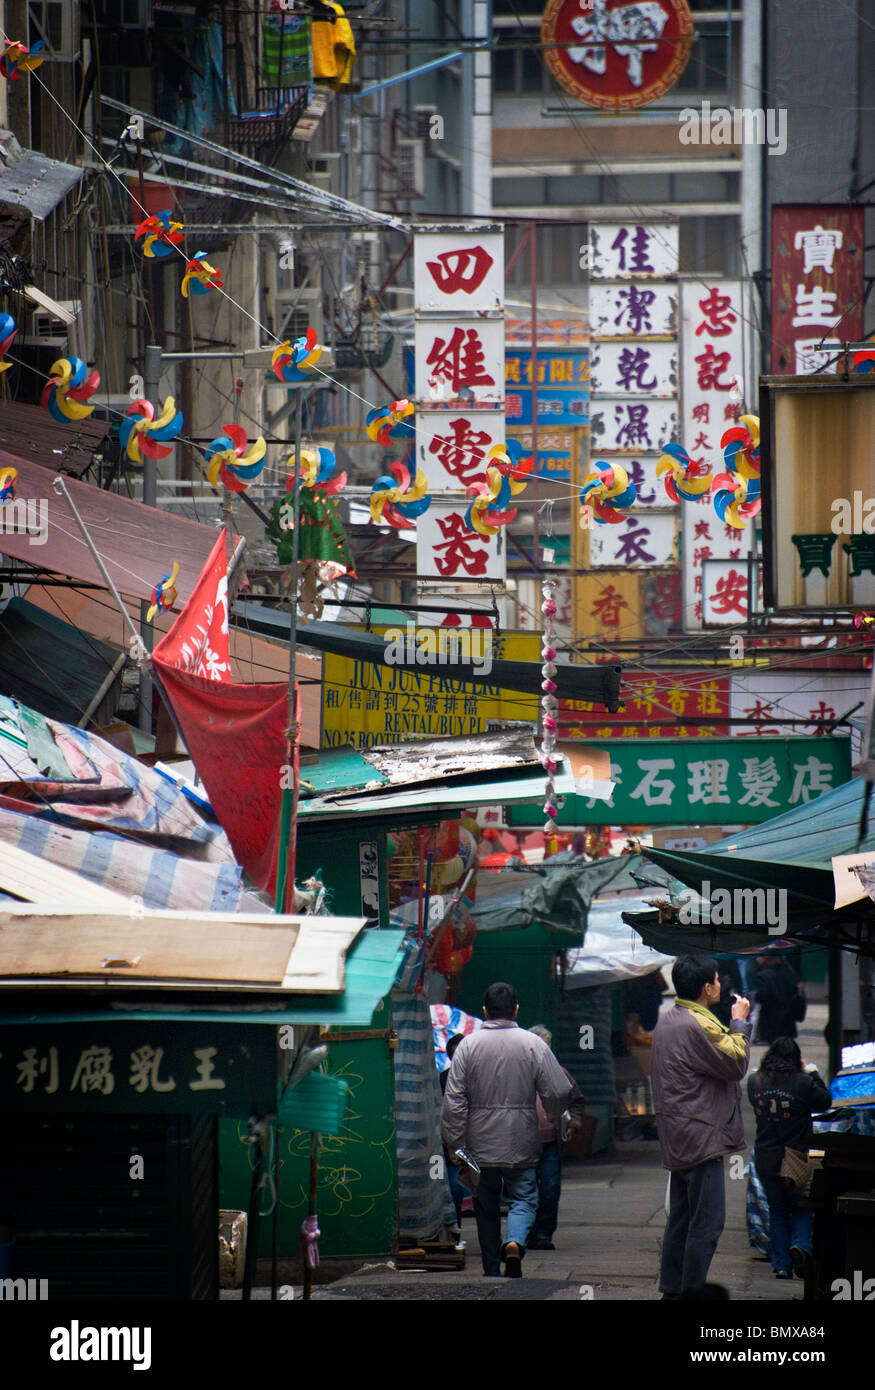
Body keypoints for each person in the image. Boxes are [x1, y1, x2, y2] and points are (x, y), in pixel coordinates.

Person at [440, 982, 573, 1278]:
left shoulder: (468, 1047)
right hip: (522, 1139)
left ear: (485, 1011)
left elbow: (453, 1102)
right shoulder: (533, 1043)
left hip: (478, 1144)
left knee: (485, 1206)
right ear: (515, 1010)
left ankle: (491, 1270)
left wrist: (455, 1145)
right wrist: (553, 1117)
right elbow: (559, 1089)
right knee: (524, 1197)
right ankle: (513, 1241)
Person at [650, 954, 752, 1298]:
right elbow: (735, 1062)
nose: (721, 985)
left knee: (680, 1219)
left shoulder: (671, 1019)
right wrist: (740, 1022)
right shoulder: (699, 1025)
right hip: (700, 1133)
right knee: (706, 1223)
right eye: (718, 980)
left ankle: (672, 1288)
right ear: (707, 987)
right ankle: (691, 1291)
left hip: (679, 1131)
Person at [747, 1036, 832, 1280]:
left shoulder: (756, 1082)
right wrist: (813, 1071)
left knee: (776, 1210)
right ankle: (801, 1246)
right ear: (796, 1059)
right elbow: (825, 1102)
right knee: (802, 1206)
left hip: (767, 1157)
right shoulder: (803, 1082)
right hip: (797, 1157)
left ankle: (782, 1264)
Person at [526, 1024, 587, 1251]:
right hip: (523, 1141)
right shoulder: (521, 1071)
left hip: (550, 1141)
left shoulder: (560, 1073)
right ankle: (523, 1233)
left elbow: (576, 1099)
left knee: (550, 1188)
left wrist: (574, 1123)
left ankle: (542, 1234)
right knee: (525, 1189)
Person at [439, 1033, 466, 1231]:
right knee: (449, 1188)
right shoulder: (443, 1078)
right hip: (448, 1145)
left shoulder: (479, 1077)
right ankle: (453, 1228)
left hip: (474, 1143)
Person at [751, 954, 804, 1043]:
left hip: (771, 1020)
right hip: (788, 1019)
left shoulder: (763, 976)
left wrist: (755, 996)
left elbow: (762, 996)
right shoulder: (789, 972)